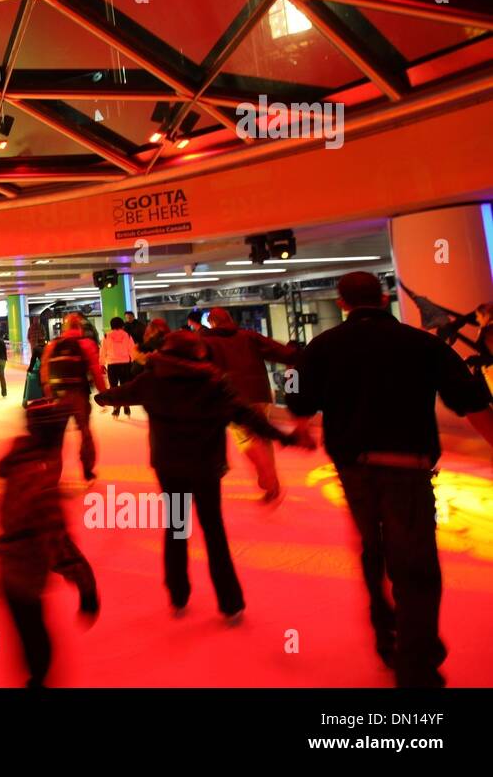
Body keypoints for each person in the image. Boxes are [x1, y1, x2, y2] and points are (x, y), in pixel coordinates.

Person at [287, 272, 493, 687]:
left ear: (343, 303)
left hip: (353, 467)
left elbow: (299, 401)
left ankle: (388, 635)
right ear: (383, 299)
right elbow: (471, 401)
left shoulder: (323, 346)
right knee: (415, 565)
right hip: (407, 465)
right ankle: (415, 664)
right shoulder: (423, 344)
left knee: (374, 546)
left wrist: (303, 427)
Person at [96, 332, 300, 624]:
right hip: (206, 467)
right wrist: (285, 438)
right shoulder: (214, 384)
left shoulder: (153, 381)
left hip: (170, 467)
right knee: (214, 531)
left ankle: (178, 594)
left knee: (177, 528)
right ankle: (230, 603)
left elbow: (122, 393)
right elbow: (247, 416)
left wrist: (101, 395)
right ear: (199, 354)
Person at [0, 400, 100, 687]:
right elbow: (55, 538)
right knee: (37, 644)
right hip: (25, 570)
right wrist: (85, 583)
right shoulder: (39, 478)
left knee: (30, 636)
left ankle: (36, 676)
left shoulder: (22, 459)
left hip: (10, 568)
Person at [200, 307, 299, 504]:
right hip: (260, 392)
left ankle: (268, 480)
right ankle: (272, 481)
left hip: (233, 398)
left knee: (246, 439)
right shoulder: (249, 337)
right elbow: (282, 352)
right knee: (262, 435)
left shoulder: (207, 343)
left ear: (212, 322)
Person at [40, 312, 108, 484]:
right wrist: (104, 393)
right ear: (80, 327)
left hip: (58, 397)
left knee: (56, 437)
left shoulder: (53, 345)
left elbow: (44, 371)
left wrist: (49, 393)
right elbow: (95, 370)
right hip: (78, 394)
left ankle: (52, 476)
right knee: (85, 433)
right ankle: (87, 471)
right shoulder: (86, 344)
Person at [100, 317, 136, 417]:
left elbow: (103, 350)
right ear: (122, 325)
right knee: (125, 386)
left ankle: (116, 407)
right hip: (125, 364)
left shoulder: (107, 336)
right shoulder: (127, 335)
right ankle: (126, 405)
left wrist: (102, 363)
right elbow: (132, 350)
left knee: (113, 387)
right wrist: (133, 362)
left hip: (112, 364)